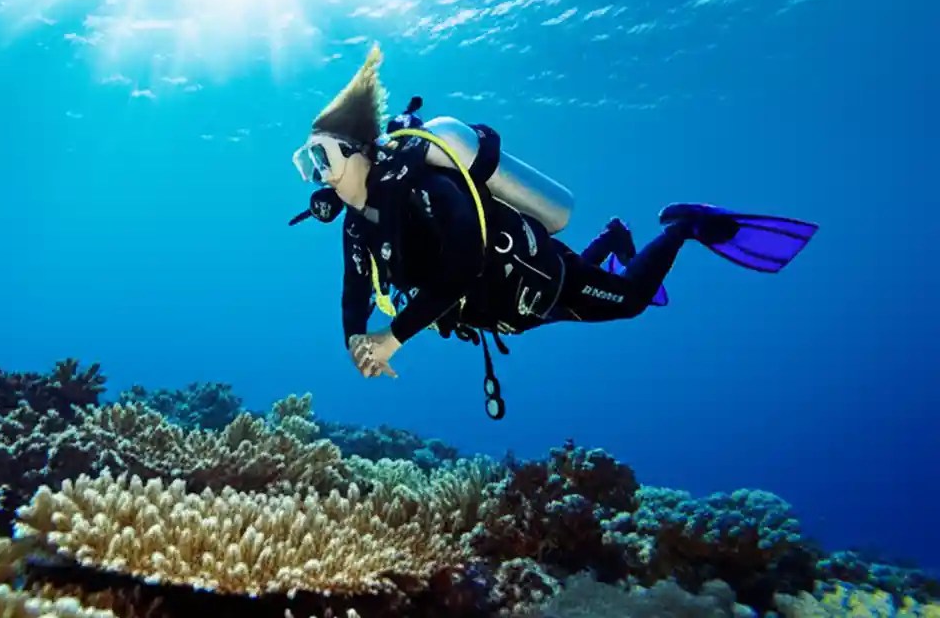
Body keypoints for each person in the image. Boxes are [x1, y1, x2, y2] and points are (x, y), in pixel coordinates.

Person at [287, 45, 819, 419]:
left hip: (539, 280)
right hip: (511, 310)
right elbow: (352, 294)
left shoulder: (424, 188)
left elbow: (463, 266)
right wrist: (357, 342)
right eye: (306, 162)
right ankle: (613, 236)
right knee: (577, 296)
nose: (316, 174)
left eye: (321, 157)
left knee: (630, 299)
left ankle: (683, 226)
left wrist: (392, 339)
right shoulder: (358, 225)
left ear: (359, 150)